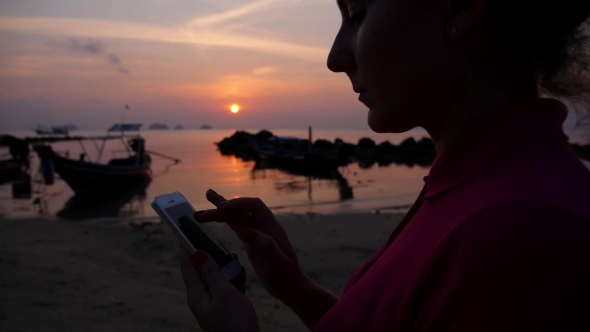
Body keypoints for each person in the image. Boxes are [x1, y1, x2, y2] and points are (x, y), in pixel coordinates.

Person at [178, 0, 590, 330]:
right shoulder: (475, 184)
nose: (335, 58)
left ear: (461, 7)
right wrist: (296, 289)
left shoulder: (519, 230)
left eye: (357, 15)